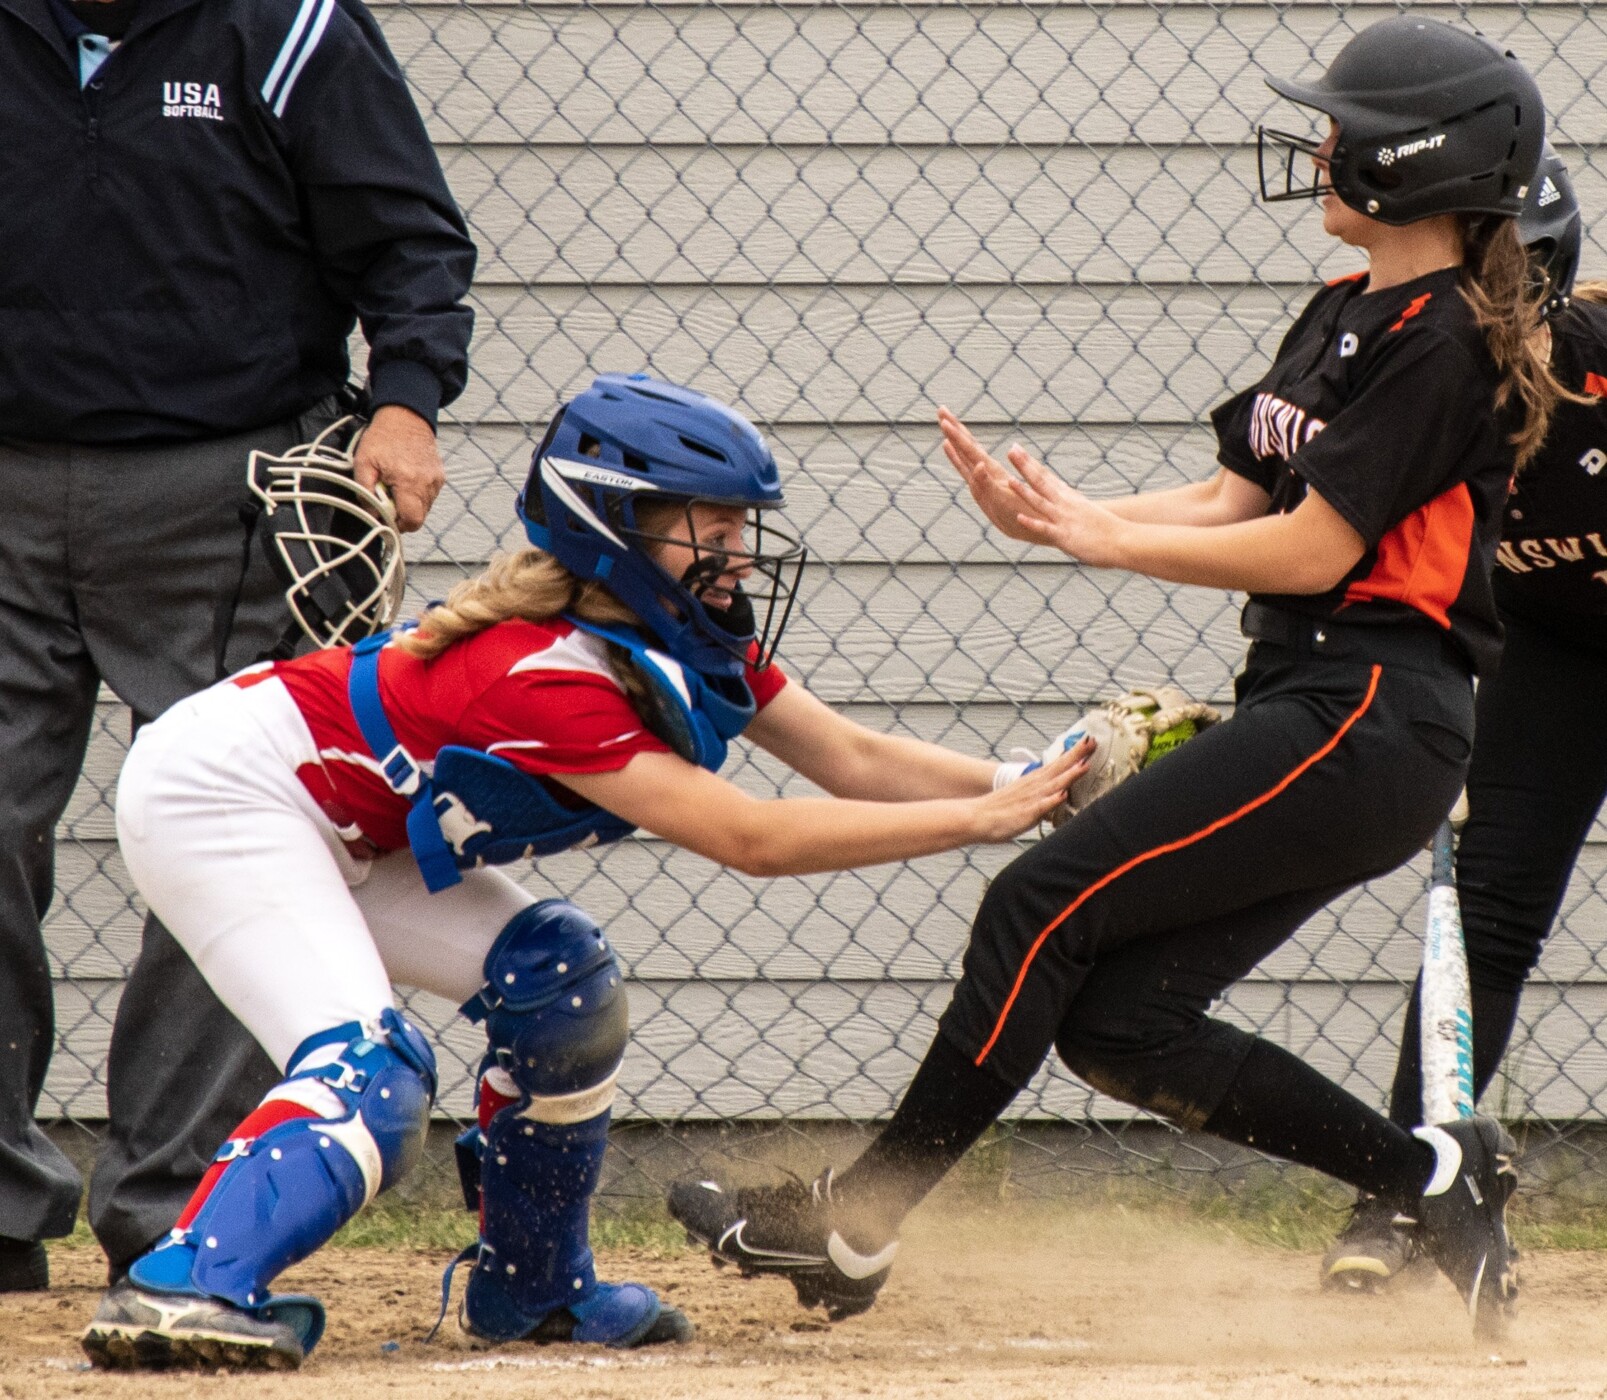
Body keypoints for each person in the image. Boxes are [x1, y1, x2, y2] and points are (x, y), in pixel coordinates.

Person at [668, 17, 1561, 1342]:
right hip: (1313, 709)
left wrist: (1102, 544)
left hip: (1372, 709)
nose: (1318, 147)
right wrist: (1060, 510)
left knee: (1034, 901)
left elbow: (1315, 548)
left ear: (1415, 160)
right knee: (1119, 1024)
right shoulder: (1343, 312)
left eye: (1343, 129)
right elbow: (1234, 493)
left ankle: (854, 1221)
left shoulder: (1442, 342)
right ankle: (1422, 1173)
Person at [77, 374, 1091, 1370]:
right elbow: (751, 840)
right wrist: (981, 818)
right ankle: (185, 1282)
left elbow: (850, 758)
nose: (734, 553)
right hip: (221, 794)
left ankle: (530, 1288)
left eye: (738, 527)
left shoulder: (669, 636)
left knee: (561, 981)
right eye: (708, 527)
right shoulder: (547, 677)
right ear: (612, 523)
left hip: (339, 821)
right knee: (373, 1068)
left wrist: (1025, 779)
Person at [0, 0, 476, 1291]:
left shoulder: (289, 26)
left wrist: (406, 400)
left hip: (227, 484)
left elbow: (411, 242)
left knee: (225, 829)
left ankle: (178, 1206)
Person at [1320, 150, 1607, 1290]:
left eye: (1497, 289)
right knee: (1485, 912)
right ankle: (1400, 1198)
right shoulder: (1416, 385)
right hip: (1559, 648)